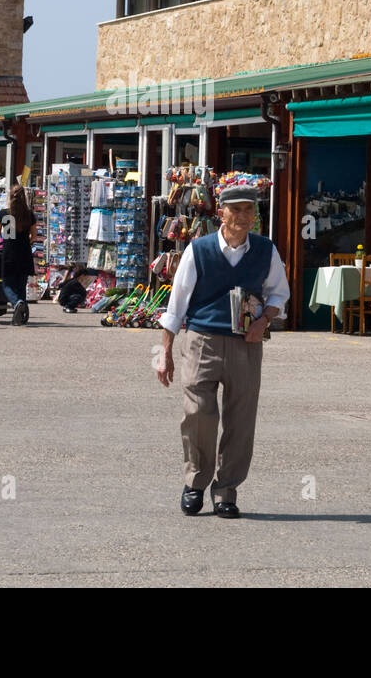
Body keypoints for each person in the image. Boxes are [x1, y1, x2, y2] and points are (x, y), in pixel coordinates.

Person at [155, 186, 289, 520]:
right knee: (199, 413)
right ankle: (195, 483)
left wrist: (265, 321)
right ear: (222, 214)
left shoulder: (265, 250)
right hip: (203, 340)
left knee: (241, 419)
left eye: (250, 210)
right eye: (237, 210)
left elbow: (279, 293)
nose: (245, 216)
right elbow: (177, 303)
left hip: (247, 343)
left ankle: (226, 490)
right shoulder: (198, 250)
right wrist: (166, 352)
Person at [1, 185, 36, 326]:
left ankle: (17, 303)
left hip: (10, 252)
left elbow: (1, 234)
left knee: (7, 284)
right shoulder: (29, 214)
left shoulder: (6, 214)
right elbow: (34, 236)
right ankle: (20, 316)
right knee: (21, 285)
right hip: (25, 252)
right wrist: (27, 241)